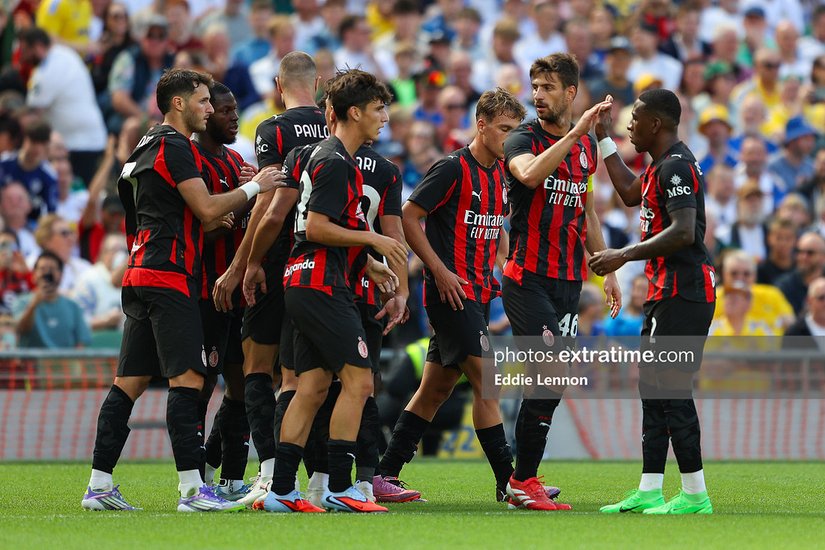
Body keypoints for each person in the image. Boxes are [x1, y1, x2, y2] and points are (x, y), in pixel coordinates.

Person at [81, 68, 283, 512]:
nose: (210, 110)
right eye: (204, 102)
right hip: (170, 275)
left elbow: (169, 213)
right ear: (179, 103)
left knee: (127, 385)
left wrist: (208, 220)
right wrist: (255, 186)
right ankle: (193, 491)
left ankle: (98, 486)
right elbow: (206, 206)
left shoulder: (144, 144)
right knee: (188, 382)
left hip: (139, 271)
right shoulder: (174, 145)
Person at [263, 69, 405, 514]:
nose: (385, 117)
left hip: (303, 280)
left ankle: (282, 491)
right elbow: (317, 226)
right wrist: (372, 240)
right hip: (324, 286)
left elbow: (319, 226)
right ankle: (341, 487)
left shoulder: (319, 155)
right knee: (359, 382)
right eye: (379, 108)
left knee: (312, 386)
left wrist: (370, 264)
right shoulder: (337, 162)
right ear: (356, 112)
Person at [377, 88, 528, 503]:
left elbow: (495, 226)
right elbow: (409, 215)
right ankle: (510, 482)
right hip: (451, 294)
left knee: (434, 391)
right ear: (481, 125)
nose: (510, 138)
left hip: (478, 293)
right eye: (504, 129)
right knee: (488, 382)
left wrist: (504, 263)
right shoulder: (451, 168)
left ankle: (383, 474)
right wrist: (438, 270)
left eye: (516, 130)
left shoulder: (501, 173)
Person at [500, 53, 621, 511]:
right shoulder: (522, 138)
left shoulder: (587, 149)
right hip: (526, 276)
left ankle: (523, 478)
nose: (537, 96)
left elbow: (586, 209)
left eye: (548, 87)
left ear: (570, 92)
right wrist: (574, 133)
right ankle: (521, 480)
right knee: (547, 371)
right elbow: (528, 175)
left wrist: (604, 267)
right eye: (535, 87)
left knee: (552, 380)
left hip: (568, 282)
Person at [590, 88, 716, 515]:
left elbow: (684, 232)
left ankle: (696, 494)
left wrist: (621, 255)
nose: (630, 125)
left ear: (655, 124)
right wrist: (602, 138)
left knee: (672, 388)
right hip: (668, 292)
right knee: (653, 389)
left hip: (685, 291)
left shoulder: (677, 167)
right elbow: (628, 192)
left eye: (635, 119)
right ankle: (649, 488)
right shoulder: (661, 166)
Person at [213, 51, 329, 507]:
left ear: (279, 85)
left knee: (257, 369)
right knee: (308, 375)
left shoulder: (272, 128)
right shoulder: (338, 126)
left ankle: (270, 477)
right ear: (317, 84)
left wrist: (244, 263)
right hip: (325, 263)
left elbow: (270, 204)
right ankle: (328, 481)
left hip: (278, 258)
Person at [192, 82, 254, 503]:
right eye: (225, 110)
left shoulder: (236, 162)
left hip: (239, 294)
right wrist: (217, 223)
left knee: (245, 385)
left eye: (235, 110)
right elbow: (195, 221)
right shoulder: (188, 160)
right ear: (206, 113)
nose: (233, 117)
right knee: (199, 385)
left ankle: (231, 477)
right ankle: (195, 479)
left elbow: (246, 220)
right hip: (203, 291)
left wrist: (253, 201)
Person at [18, 27, 107, 186]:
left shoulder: (47, 69)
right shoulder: (65, 54)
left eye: (25, 51)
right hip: (90, 140)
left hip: (78, 146)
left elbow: (32, 115)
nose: (23, 57)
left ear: (38, 46)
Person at [13, 250, 91, 349]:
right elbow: (20, 330)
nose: (47, 273)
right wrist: (34, 304)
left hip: (64, 363)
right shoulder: (21, 302)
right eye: (42, 269)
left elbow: (81, 343)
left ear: (61, 275)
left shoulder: (73, 307)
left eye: (52, 269)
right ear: (34, 275)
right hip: (32, 363)